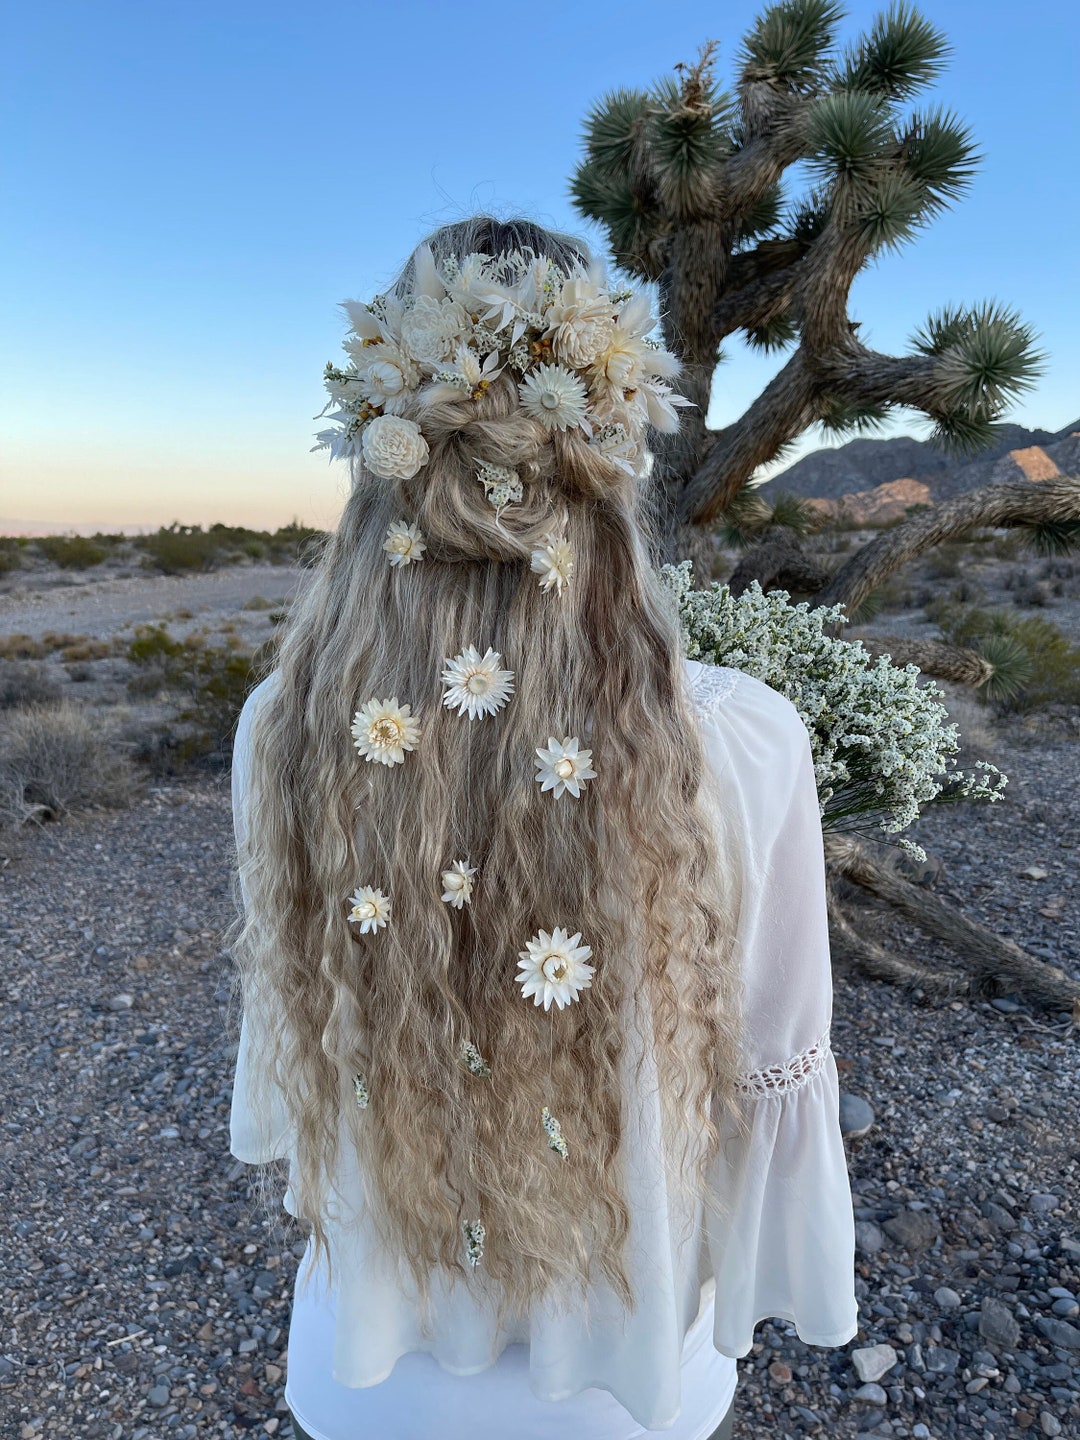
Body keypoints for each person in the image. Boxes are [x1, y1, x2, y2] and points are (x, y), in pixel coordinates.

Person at [226, 215, 858, 1440]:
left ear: (381, 447)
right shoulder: (737, 739)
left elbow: (284, 1014)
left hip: (368, 1364)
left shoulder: (280, 725)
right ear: (612, 442)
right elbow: (769, 1062)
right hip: (627, 1366)